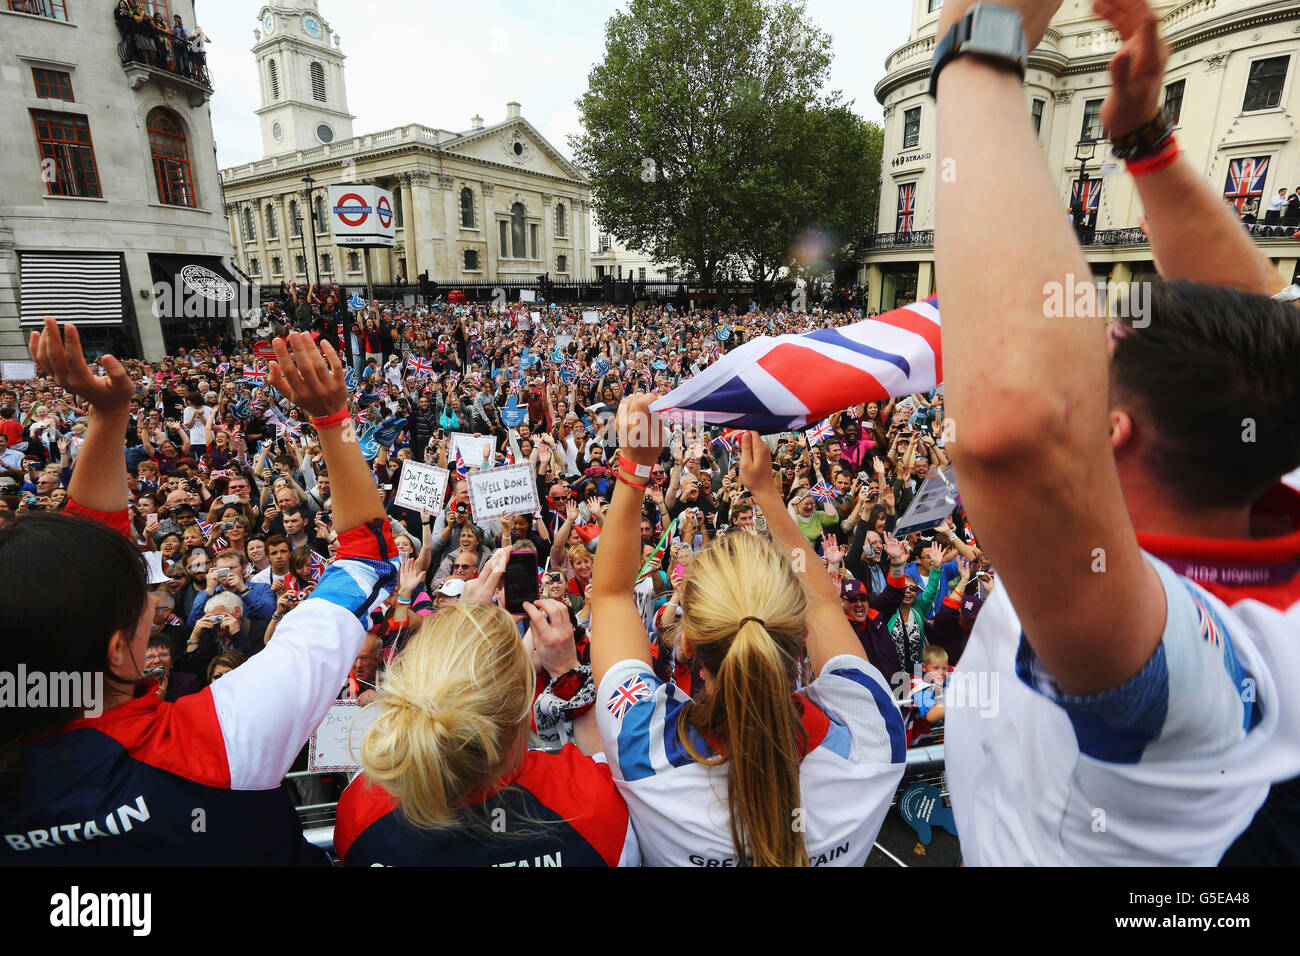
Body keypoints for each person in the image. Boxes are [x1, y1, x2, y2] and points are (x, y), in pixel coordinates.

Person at [934, 0, 1300, 865]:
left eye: (1089, 352)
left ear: (1110, 429)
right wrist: (1145, 140)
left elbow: (1019, 430)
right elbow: (1270, 328)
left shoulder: (1203, 679)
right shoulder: (1268, 444)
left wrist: (977, 42)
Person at [0, 323, 398, 865]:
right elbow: (368, 561)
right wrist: (332, 420)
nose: (156, 599)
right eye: (143, 591)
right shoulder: (219, 741)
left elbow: (76, 568)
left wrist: (109, 416)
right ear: (117, 649)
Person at [590, 400, 906, 866]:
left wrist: (636, 464)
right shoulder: (876, 733)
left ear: (689, 642)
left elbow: (612, 596)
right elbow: (823, 604)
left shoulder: (645, 748)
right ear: (801, 638)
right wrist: (768, 494)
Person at [333, 555, 640, 867]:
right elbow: (606, 775)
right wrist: (566, 669)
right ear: (522, 702)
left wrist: (458, 628)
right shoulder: (591, 803)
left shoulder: (362, 810)